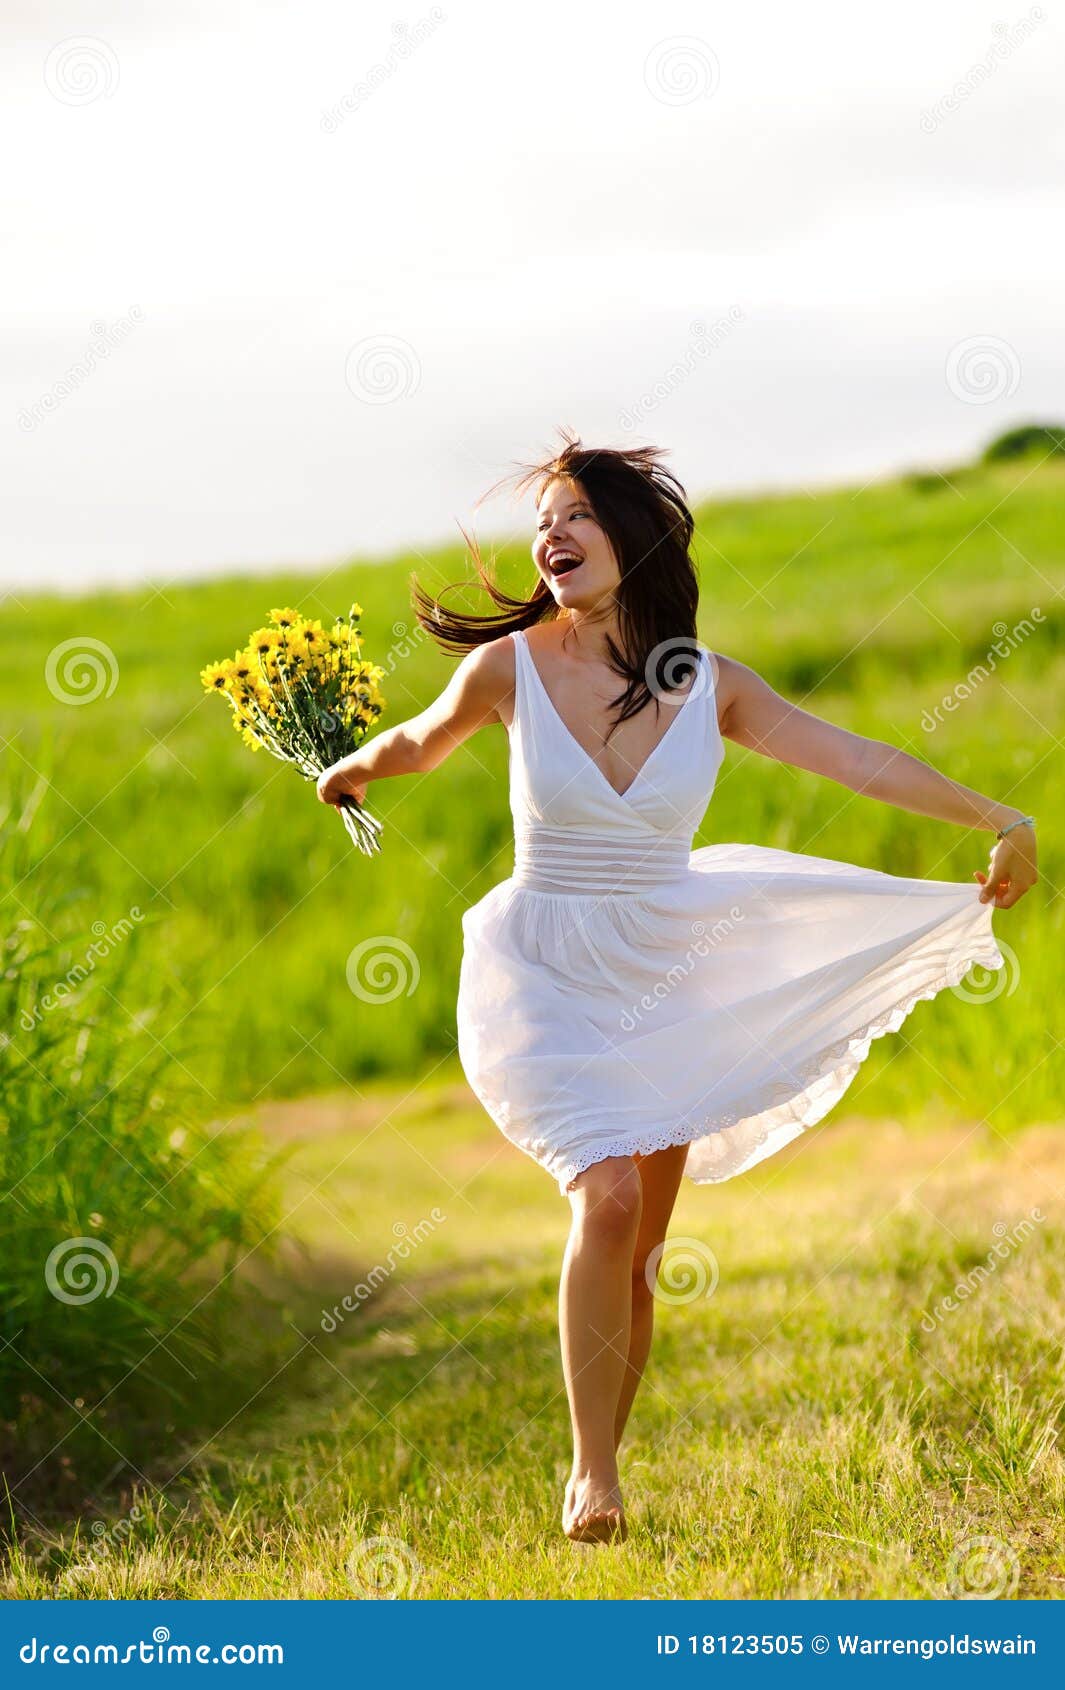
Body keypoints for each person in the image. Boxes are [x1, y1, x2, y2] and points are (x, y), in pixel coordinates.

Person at [316, 436, 1038, 1546]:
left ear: (632, 538)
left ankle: (605, 1464)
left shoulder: (709, 685)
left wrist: (999, 815)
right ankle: (591, 1471)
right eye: (543, 524)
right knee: (604, 1197)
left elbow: (855, 758)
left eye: (575, 517)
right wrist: (349, 766)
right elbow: (418, 743)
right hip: (545, 969)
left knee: (643, 1252)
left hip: (668, 971)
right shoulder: (510, 668)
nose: (552, 538)